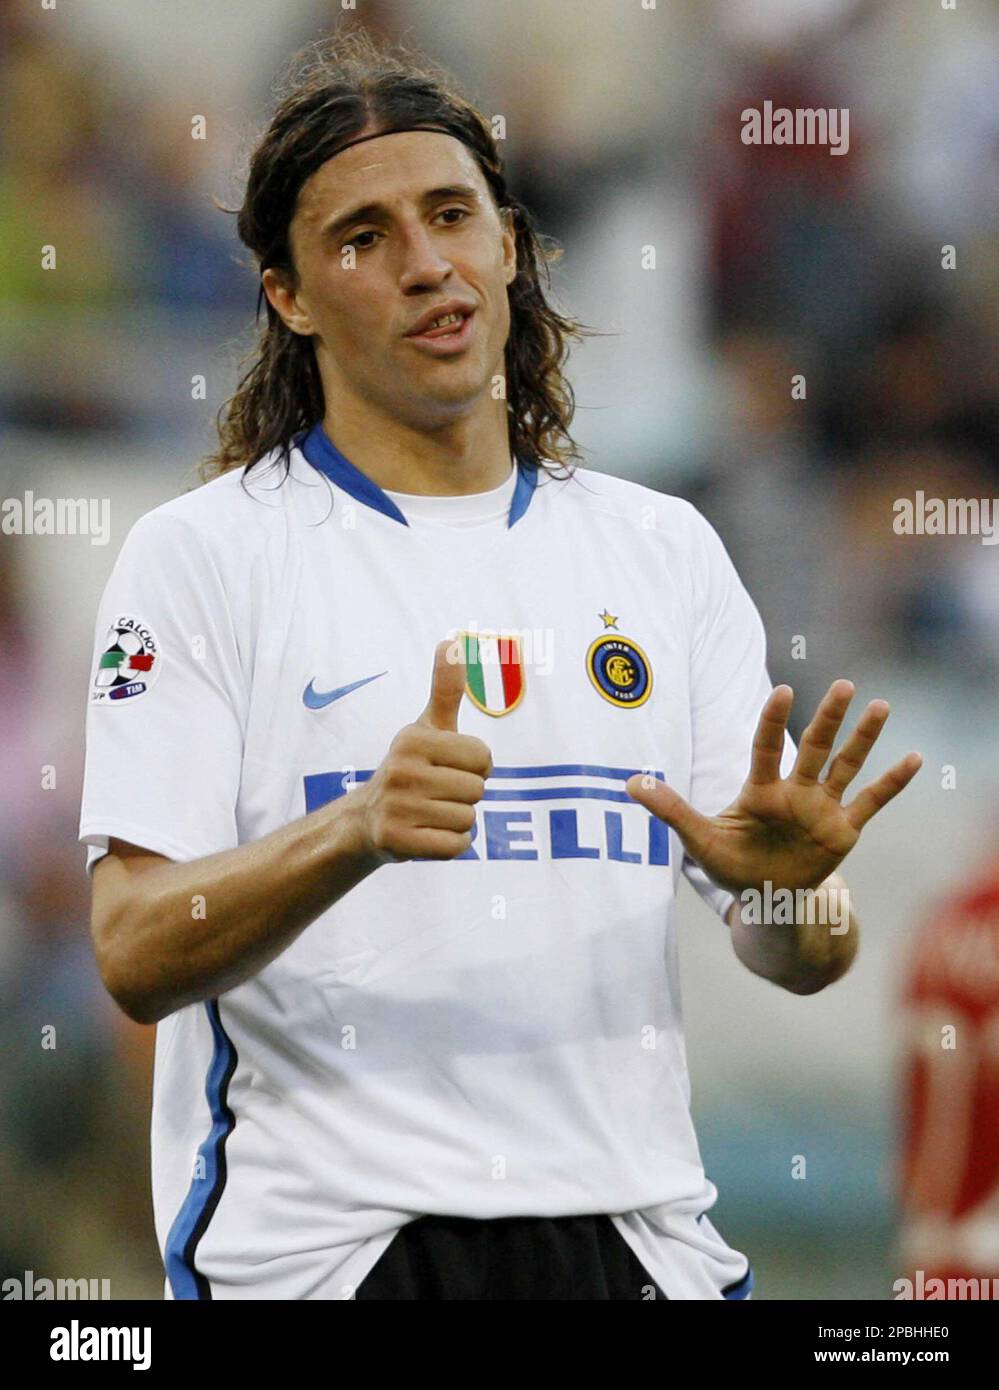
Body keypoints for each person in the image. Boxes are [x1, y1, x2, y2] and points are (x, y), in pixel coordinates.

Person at [79, 29, 921, 1301]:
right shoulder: (204, 558)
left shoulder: (660, 549)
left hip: (640, 1244)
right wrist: (351, 830)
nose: (427, 265)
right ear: (288, 296)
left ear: (509, 243)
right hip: (341, 1254)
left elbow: (803, 953)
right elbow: (135, 946)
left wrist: (793, 892)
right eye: (363, 238)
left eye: (452, 215)